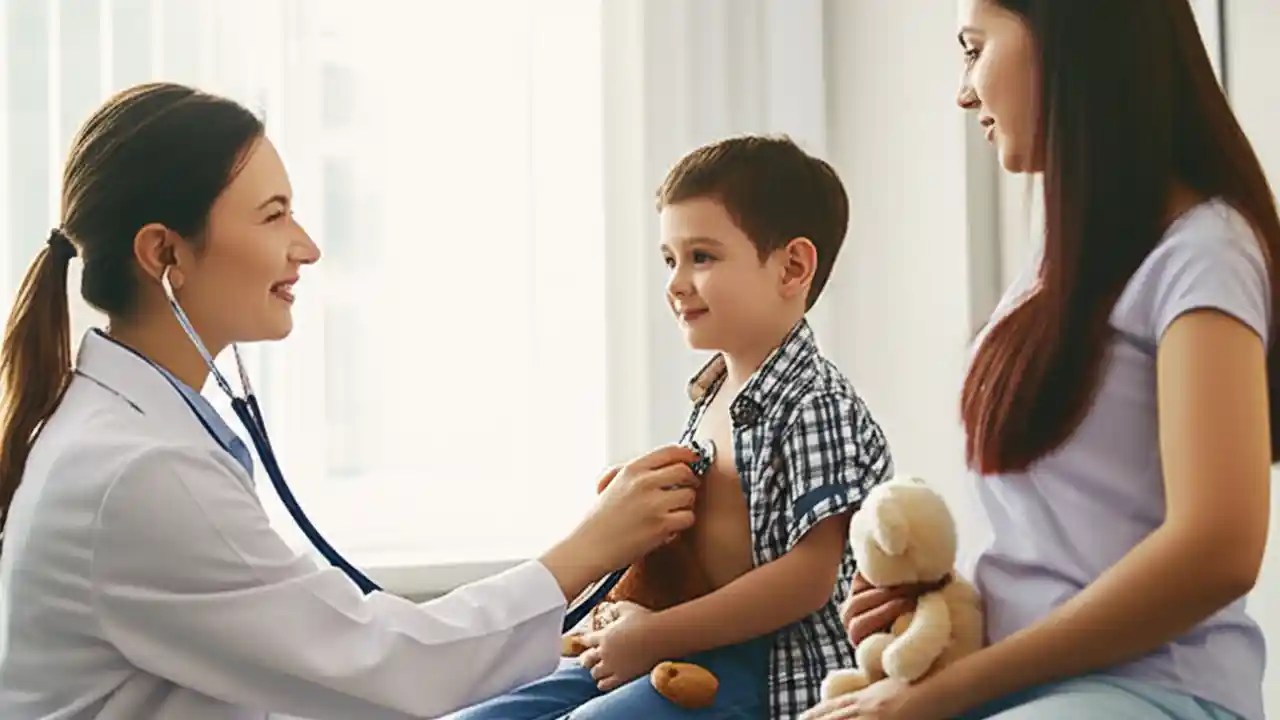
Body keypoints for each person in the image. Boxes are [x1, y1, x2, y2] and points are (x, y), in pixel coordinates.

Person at [0, 81, 706, 720]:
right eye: (274, 216)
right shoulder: (138, 471)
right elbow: (378, 665)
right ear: (165, 255)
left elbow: (317, 639)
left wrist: (547, 637)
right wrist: (588, 549)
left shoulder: (122, 429)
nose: (305, 247)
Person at [801, 1, 1278, 719]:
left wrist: (953, 688)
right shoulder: (1056, 271)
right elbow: (1065, 554)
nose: (964, 91)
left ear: (1068, 43)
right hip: (1038, 691)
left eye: (974, 49)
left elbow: (1217, 549)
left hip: (1154, 692)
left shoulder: (1203, 254)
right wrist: (947, 606)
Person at [452, 136, 894, 719]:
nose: (676, 282)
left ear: (792, 267)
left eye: (702, 257)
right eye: (670, 259)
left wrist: (657, 636)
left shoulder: (816, 403)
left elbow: (807, 580)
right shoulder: (713, 394)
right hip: (688, 643)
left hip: (768, 671)